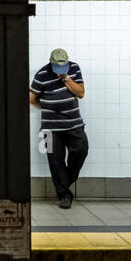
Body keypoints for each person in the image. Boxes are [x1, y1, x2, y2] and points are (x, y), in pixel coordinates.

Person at [29, 47, 87, 209]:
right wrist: (47, 105)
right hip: (49, 128)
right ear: (50, 62)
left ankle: (65, 181)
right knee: (55, 161)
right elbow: (31, 98)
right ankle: (64, 196)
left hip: (74, 124)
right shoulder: (42, 74)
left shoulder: (74, 68)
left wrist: (66, 78)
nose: (60, 71)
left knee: (81, 150)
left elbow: (81, 93)